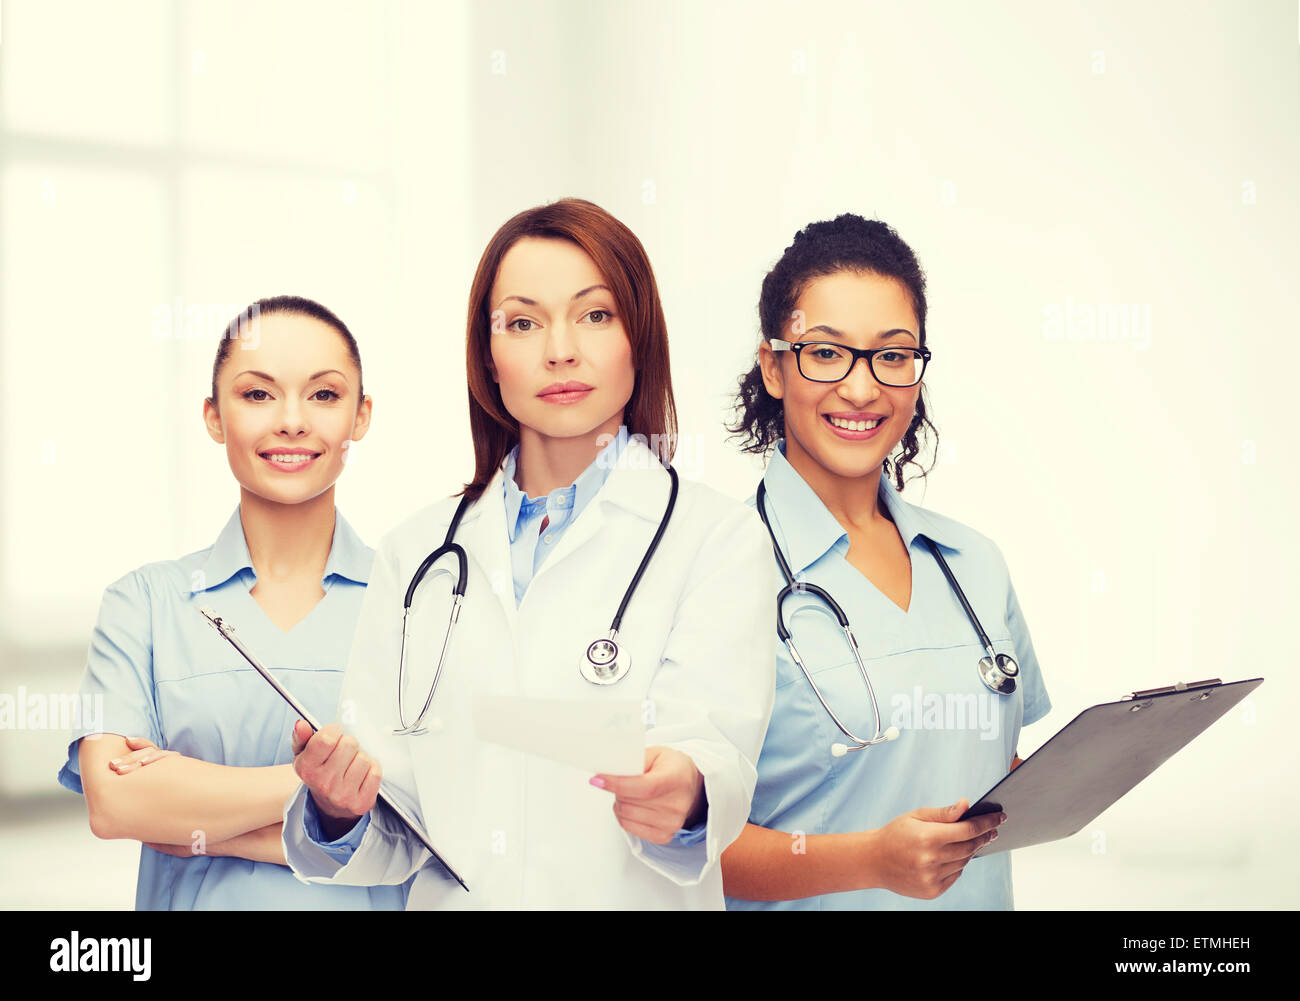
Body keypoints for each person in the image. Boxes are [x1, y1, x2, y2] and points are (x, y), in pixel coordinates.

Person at [281, 198, 774, 908]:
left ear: (640, 334)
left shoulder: (717, 539)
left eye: (594, 314)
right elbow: (398, 825)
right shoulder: (416, 554)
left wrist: (688, 795)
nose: (560, 349)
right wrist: (336, 807)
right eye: (522, 322)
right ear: (489, 355)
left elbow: (714, 757)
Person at [720, 214, 1051, 910]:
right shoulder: (716, 571)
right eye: (827, 353)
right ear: (775, 367)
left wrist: (1092, 766)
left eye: (892, 355)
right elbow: (690, 845)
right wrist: (871, 859)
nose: (863, 389)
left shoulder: (975, 564)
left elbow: (990, 767)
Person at [57, 295, 411, 910]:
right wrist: (336, 794)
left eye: (324, 395)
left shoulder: (416, 605)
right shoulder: (144, 601)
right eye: (257, 395)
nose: (293, 422)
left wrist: (195, 819)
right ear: (214, 417)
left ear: (362, 415)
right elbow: (114, 804)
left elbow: (431, 821)